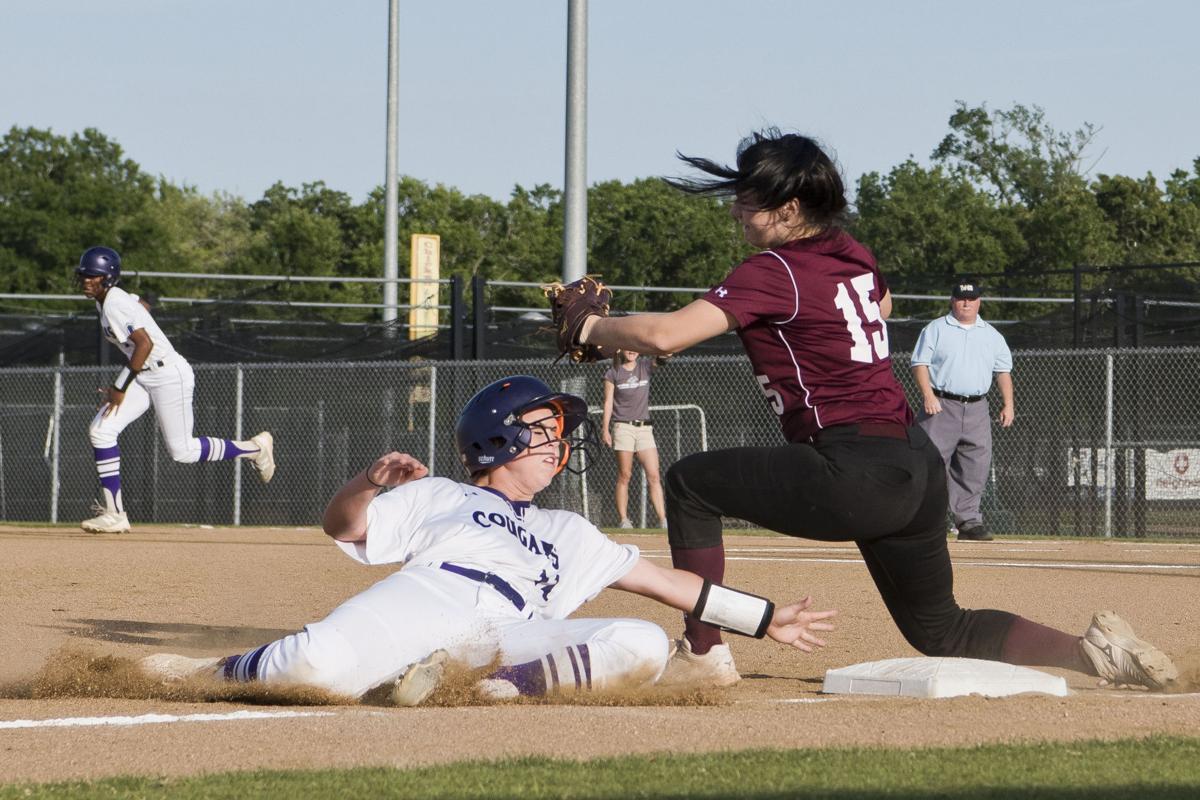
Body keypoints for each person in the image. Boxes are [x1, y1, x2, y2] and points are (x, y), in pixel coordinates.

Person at [554, 128, 1177, 691]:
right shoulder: (851, 252)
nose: (737, 209)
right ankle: (1095, 652)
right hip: (916, 462)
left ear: (790, 209)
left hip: (855, 468)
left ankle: (704, 650)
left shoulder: (774, 270)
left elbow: (665, 336)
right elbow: (876, 308)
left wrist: (592, 329)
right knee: (941, 630)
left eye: (749, 199)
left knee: (690, 484)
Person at [139, 376, 836, 704]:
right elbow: (344, 527)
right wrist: (367, 481)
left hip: (507, 633)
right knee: (314, 669)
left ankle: (487, 688)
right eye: (542, 427)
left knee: (643, 643)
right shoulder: (441, 492)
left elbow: (666, 586)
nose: (558, 441)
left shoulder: (570, 530)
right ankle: (201, 673)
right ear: (497, 437)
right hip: (431, 595)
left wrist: (767, 618)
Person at [75, 246, 275, 534]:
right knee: (101, 430)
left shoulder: (113, 303)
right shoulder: (110, 299)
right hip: (145, 375)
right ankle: (114, 513)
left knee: (182, 451)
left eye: (93, 276)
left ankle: (255, 448)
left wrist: (119, 388)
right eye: (83, 275)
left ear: (108, 278)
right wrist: (137, 315)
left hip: (167, 374)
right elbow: (141, 305)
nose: (86, 281)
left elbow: (145, 344)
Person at [911, 278, 1013, 542]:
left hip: (977, 407)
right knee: (931, 463)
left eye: (971, 298)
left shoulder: (991, 335)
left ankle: (968, 523)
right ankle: (926, 520)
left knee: (975, 465)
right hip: (941, 406)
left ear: (979, 301)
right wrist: (928, 395)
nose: (966, 302)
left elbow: (1003, 371)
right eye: (961, 298)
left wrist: (1008, 404)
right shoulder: (936, 329)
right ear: (952, 300)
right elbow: (919, 364)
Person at [602, 350, 669, 529]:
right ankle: (624, 520)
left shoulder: (645, 366)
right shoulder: (613, 372)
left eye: (634, 347)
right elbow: (608, 402)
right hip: (623, 428)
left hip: (644, 429)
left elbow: (661, 359)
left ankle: (663, 520)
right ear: (621, 350)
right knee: (625, 475)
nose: (631, 351)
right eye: (627, 347)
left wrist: (666, 350)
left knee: (654, 475)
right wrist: (605, 430)